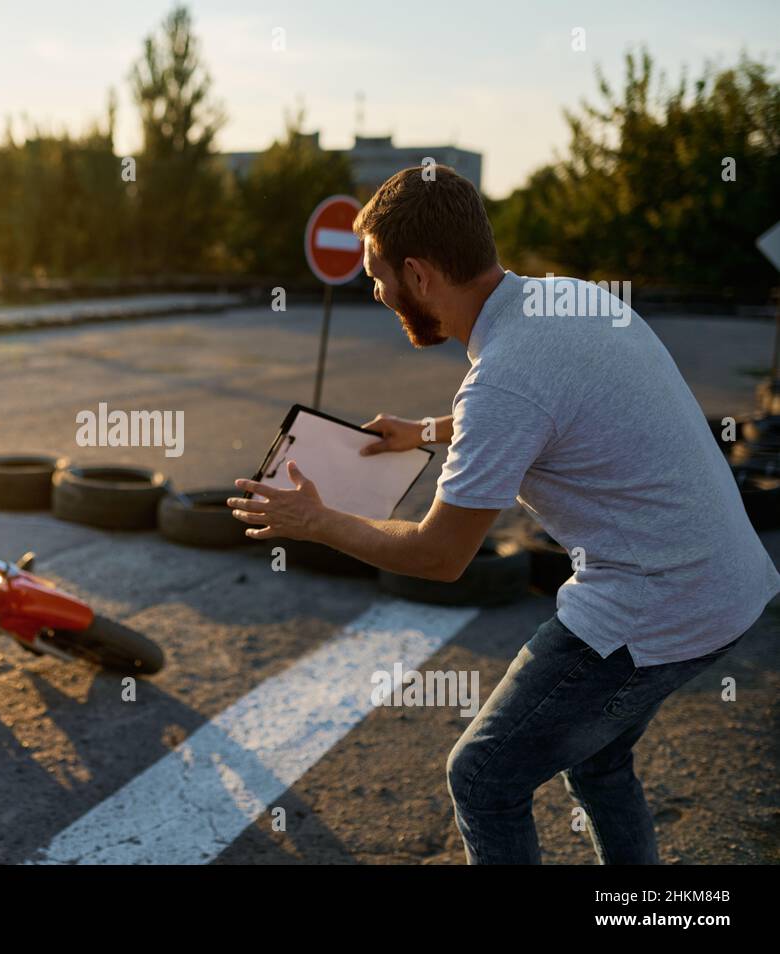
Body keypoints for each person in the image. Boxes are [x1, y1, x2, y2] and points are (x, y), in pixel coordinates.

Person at [229, 165, 779, 864]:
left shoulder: (505, 379)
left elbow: (439, 555)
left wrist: (317, 521)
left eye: (378, 276)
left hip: (657, 606)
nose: (375, 292)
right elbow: (543, 412)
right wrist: (425, 430)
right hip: (727, 583)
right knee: (599, 760)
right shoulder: (563, 301)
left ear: (421, 276)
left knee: (483, 777)